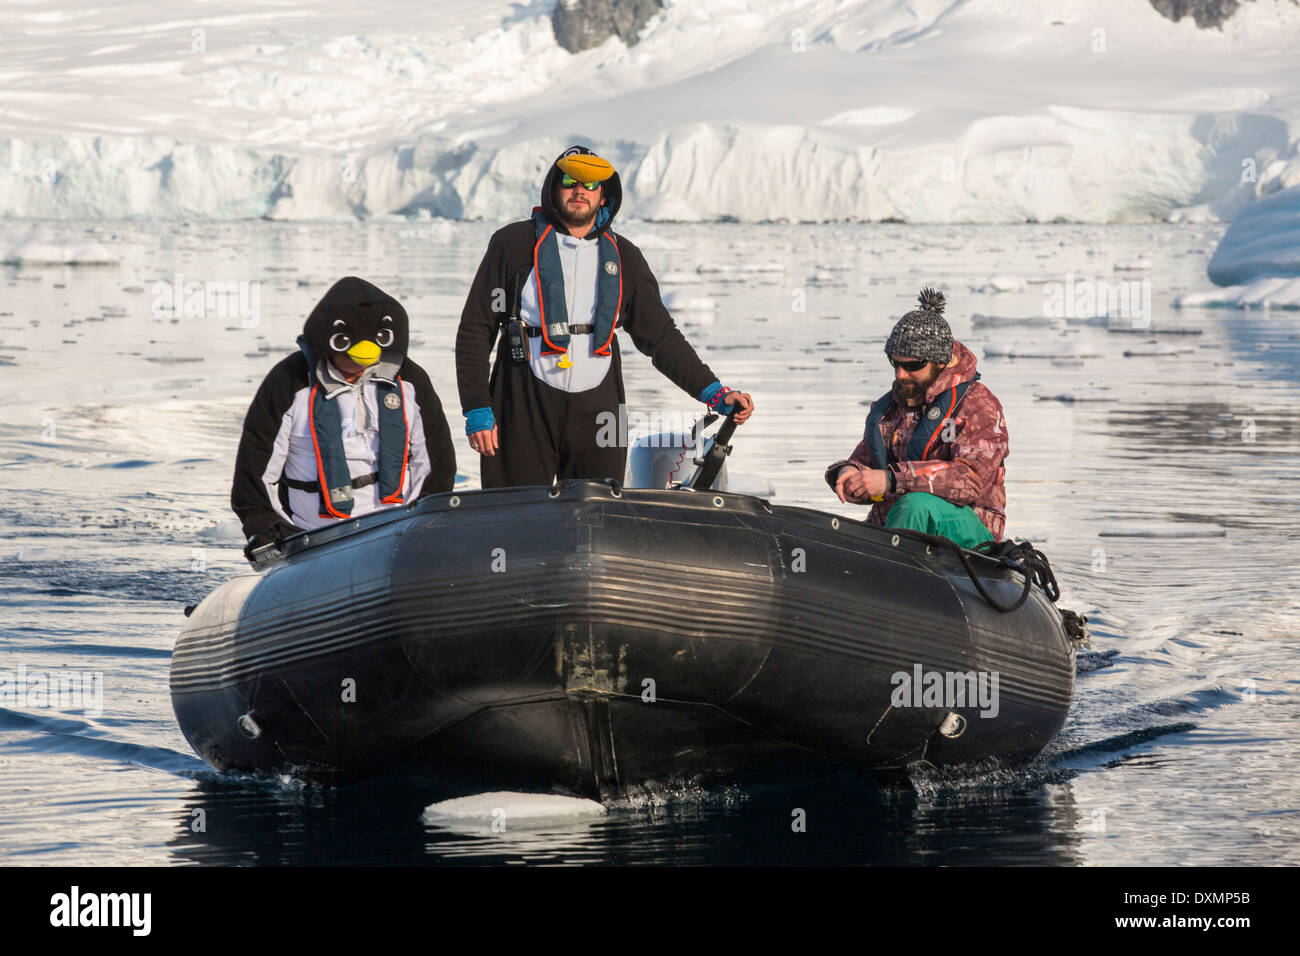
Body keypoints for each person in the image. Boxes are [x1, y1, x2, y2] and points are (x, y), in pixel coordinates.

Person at [454, 145, 754, 488]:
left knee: (597, 515)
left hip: (599, 408)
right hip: (521, 400)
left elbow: (660, 337)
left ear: (604, 194)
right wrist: (477, 407)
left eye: (591, 184)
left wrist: (713, 392)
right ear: (554, 186)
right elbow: (476, 329)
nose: (580, 190)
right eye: (570, 180)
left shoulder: (625, 256)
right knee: (513, 512)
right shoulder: (512, 243)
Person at [232, 276, 457, 556]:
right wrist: (274, 534)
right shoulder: (289, 383)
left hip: (394, 532)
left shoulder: (409, 381)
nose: (358, 367)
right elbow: (252, 480)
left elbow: (436, 465)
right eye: (349, 359)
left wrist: (422, 527)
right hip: (311, 538)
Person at [825, 287, 1008, 548]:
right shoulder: (888, 410)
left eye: (912, 366)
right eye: (895, 364)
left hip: (970, 534)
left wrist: (891, 480)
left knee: (916, 507)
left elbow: (970, 480)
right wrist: (849, 473)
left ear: (939, 362)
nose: (901, 375)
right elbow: (864, 461)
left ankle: (889, 574)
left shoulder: (979, 406)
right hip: (897, 529)